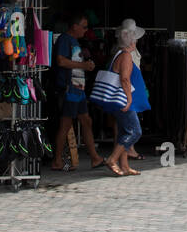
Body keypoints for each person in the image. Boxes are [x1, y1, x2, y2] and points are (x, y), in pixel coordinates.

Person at [51, 13, 103, 171]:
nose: (86, 30)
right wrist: (84, 66)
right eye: (84, 27)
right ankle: (57, 160)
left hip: (77, 89)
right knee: (66, 124)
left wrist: (85, 66)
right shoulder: (65, 40)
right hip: (70, 89)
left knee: (86, 121)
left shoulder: (74, 42)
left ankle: (95, 157)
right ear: (75, 26)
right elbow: (61, 61)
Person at [104, 20, 148, 177]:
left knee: (124, 132)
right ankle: (112, 159)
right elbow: (125, 79)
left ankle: (124, 165)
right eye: (135, 39)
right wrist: (129, 100)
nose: (136, 41)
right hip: (123, 100)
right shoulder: (126, 57)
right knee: (135, 131)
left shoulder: (118, 53)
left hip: (118, 100)